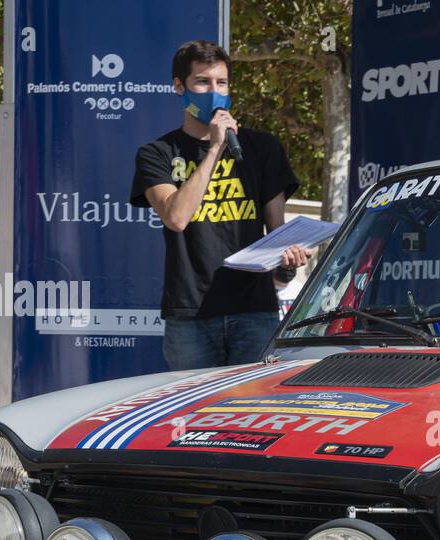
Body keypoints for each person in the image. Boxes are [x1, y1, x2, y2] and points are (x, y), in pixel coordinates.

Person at [131, 39, 310, 370]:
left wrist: (290, 259)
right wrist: (214, 149)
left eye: (222, 83)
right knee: (192, 416)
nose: (214, 91)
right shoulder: (157, 153)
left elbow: (277, 229)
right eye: (202, 82)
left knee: (254, 413)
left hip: (255, 311)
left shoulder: (262, 148)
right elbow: (176, 217)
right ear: (179, 86)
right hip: (191, 316)